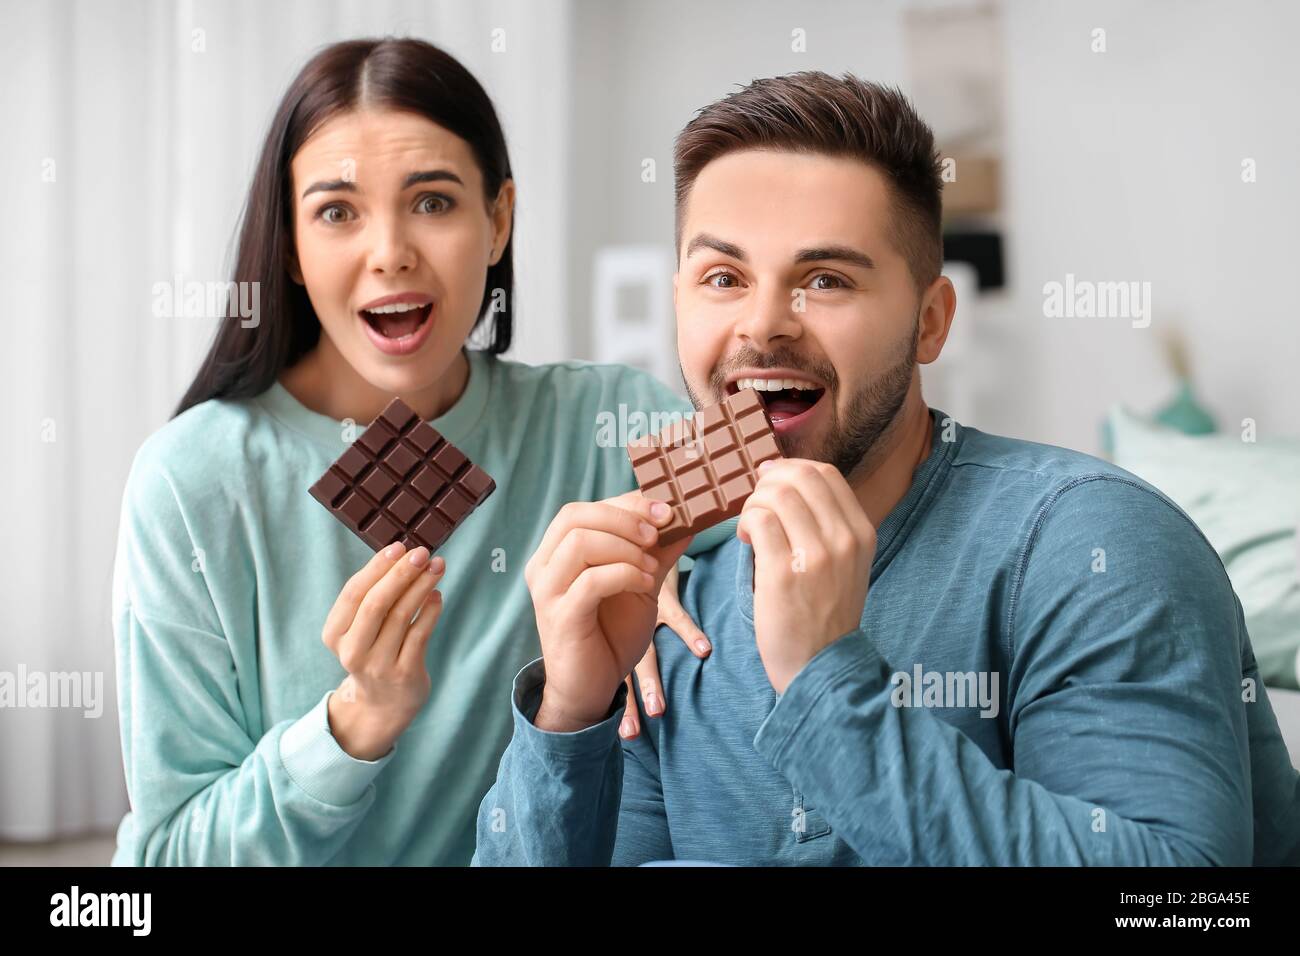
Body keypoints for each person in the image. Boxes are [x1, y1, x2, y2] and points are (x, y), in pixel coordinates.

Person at [473, 72, 1300, 866]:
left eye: (825, 279)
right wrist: (569, 716)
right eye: (722, 277)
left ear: (931, 323)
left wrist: (826, 687)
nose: (763, 325)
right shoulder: (675, 616)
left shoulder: (1098, 544)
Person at [110, 37, 720, 866]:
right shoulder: (191, 483)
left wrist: (686, 568)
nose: (390, 249)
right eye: (337, 211)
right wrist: (356, 720)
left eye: (433, 202)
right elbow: (165, 858)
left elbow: (800, 503)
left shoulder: (606, 421)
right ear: (290, 246)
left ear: (498, 219)